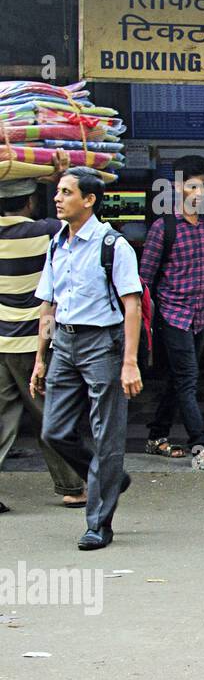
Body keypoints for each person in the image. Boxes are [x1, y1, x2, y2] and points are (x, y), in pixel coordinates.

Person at [29, 167, 143, 549]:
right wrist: (41, 357)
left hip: (102, 345)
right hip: (64, 342)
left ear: (89, 200)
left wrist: (130, 361)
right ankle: (109, 475)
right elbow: (49, 305)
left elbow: (133, 306)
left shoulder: (113, 245)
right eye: (58, 191)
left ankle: (99, 523)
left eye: (66, 192)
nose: (58, 198)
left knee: (106, 434)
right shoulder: (56, 244)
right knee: (53, 431)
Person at [140, 155, 204, 469]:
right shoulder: (162, 228)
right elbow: (144, 278)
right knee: (188, 378)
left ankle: (157, 435)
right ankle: (202, 445)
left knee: (178, 378)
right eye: (192, 185)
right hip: (172, 313)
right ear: (176, 187)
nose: (199, 192)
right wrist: (142, 323)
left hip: (202, 313)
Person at [0, 172, 86, 512]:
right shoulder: (46, 231)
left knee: (2, 419)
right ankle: (71, 487)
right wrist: (55, 175)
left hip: (0, 340)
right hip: (36, 342)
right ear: (31, 201)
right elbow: (77, 222)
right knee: (52, 414)